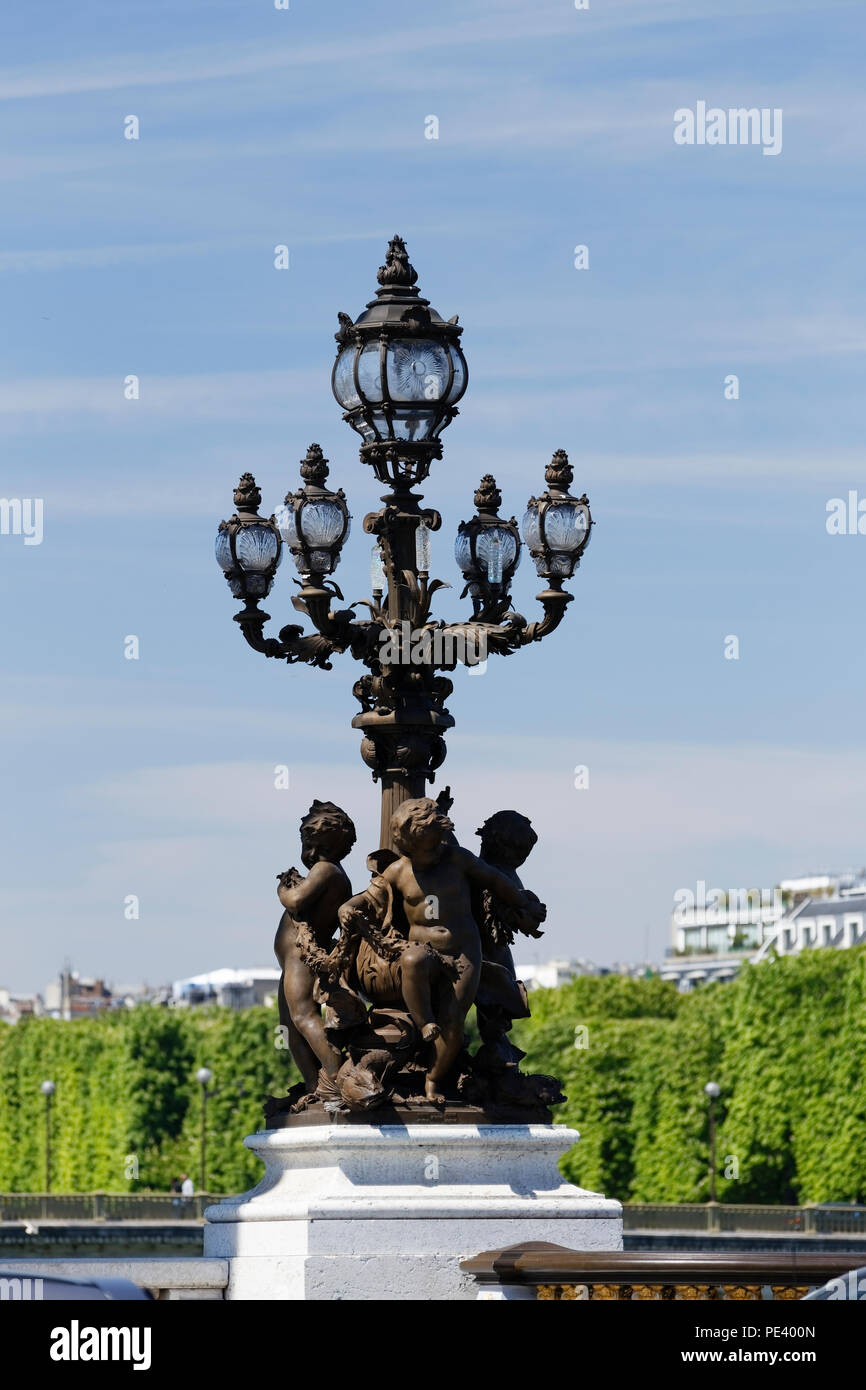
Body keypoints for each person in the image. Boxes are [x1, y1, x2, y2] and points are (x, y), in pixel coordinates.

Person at [339, 797, 544, 1102]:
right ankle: (423, 1024)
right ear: (408, 845)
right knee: (412, 959)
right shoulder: (398, 871)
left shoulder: (457, 859)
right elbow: (369, 898)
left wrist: (522, 902)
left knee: (454, 1022)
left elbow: (494, 880)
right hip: (424, 950)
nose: (437, 851)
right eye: (430, 847)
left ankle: (433, 1079)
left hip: (464, 952)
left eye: (438, 844)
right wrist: (348, 907)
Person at [274, 801, 356, 1095]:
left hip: (302, 956)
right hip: (291, 959)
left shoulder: (326, 870)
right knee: (290, 1024)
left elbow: (296, 901)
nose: (306, 851)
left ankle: (341, 1078)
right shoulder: (327, 871)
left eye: (308, 843)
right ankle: (313, 1085)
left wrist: (283, 889)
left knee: (303, 1016)